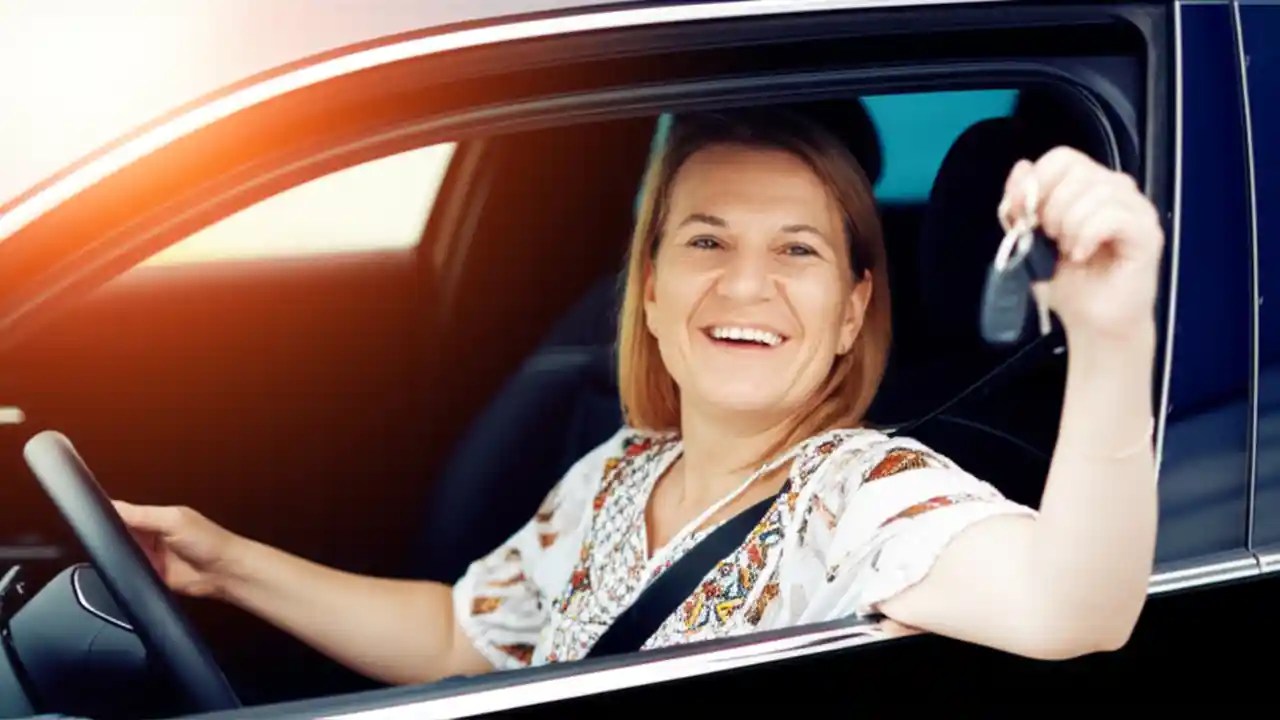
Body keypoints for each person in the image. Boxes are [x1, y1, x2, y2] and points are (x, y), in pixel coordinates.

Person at [113, 106, 1162, 686]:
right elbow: (461, 638)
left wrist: (1111, 334)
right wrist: (226, 562)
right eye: (704, 240)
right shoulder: (620, 467)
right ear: (651, 290)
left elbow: (1070, 609)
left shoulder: (866, 493)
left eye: (794, 251)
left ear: (851, 312)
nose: (742, 285)